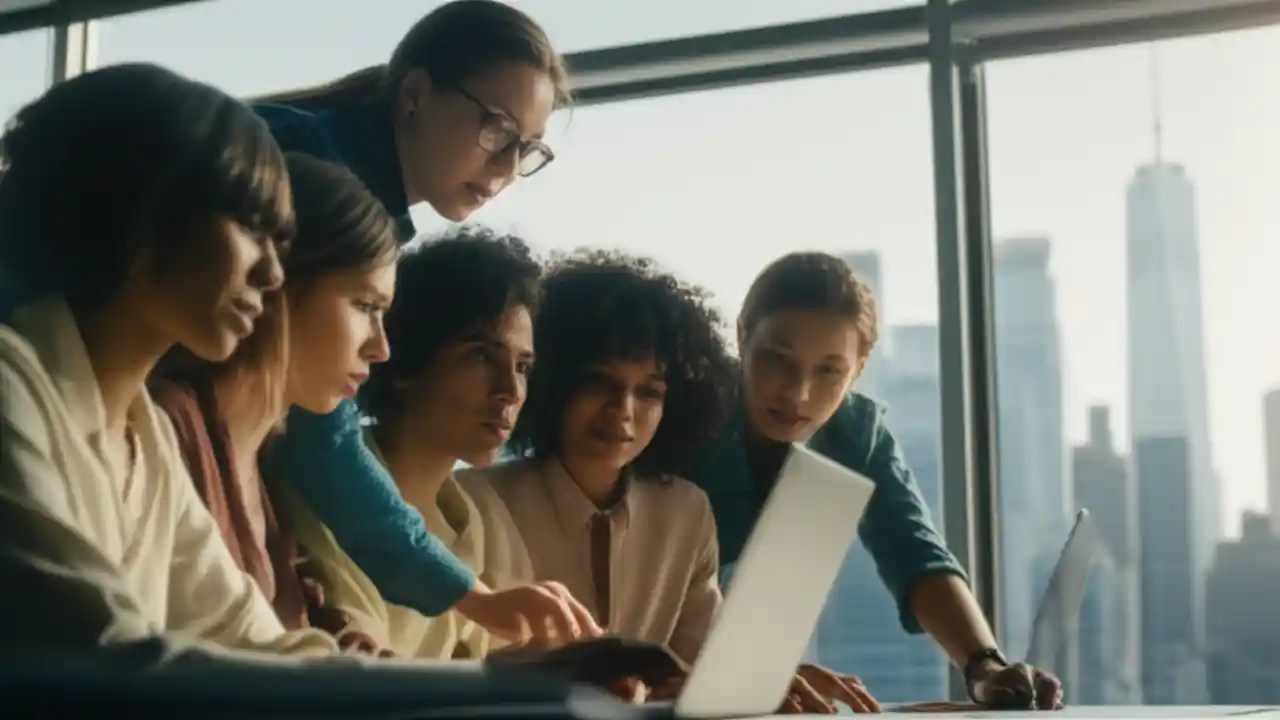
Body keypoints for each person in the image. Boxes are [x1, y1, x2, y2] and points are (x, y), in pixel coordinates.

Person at [253, 0, 591, 641]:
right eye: (496, 129)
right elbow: (320, 438)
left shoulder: (350, 182)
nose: (505, 167)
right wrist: (469, 594)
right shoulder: (312, 176)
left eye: (526, 149)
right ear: (413, 94)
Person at [0, 63, 332, 655]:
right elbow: (106, 651)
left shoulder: (144, 434)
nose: (273, 274)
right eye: (251, 227)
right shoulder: (11, 390)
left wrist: (494, 684)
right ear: (140, 209)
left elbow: (252, 638)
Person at [463, 252, 878, 714]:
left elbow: (699, 669)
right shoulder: (475, 503)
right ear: (553, 382)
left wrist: (765, 681)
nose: (623, 411)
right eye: (599, 383)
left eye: (649, 392)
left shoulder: (686, 512)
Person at [687, 252, 1064, 710]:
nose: (798, 392)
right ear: (743, 336)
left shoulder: (854, 437)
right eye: (778, 358)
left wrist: (985, 666)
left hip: (729, 693)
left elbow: (916, 552)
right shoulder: (679, 415)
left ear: (860, 367)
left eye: (829, 370)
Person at [150, 153, 399, 642]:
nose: (382, 347)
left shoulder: (263, 466)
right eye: (365, 306)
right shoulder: (164, 428)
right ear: (281, 283)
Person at [280, 227, 544, 659]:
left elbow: (490, 659)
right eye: (481, 356)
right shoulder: (327, 499)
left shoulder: (470, 517)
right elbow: (359, 668)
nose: (510, 390)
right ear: (404, 363)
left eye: (524, 367)